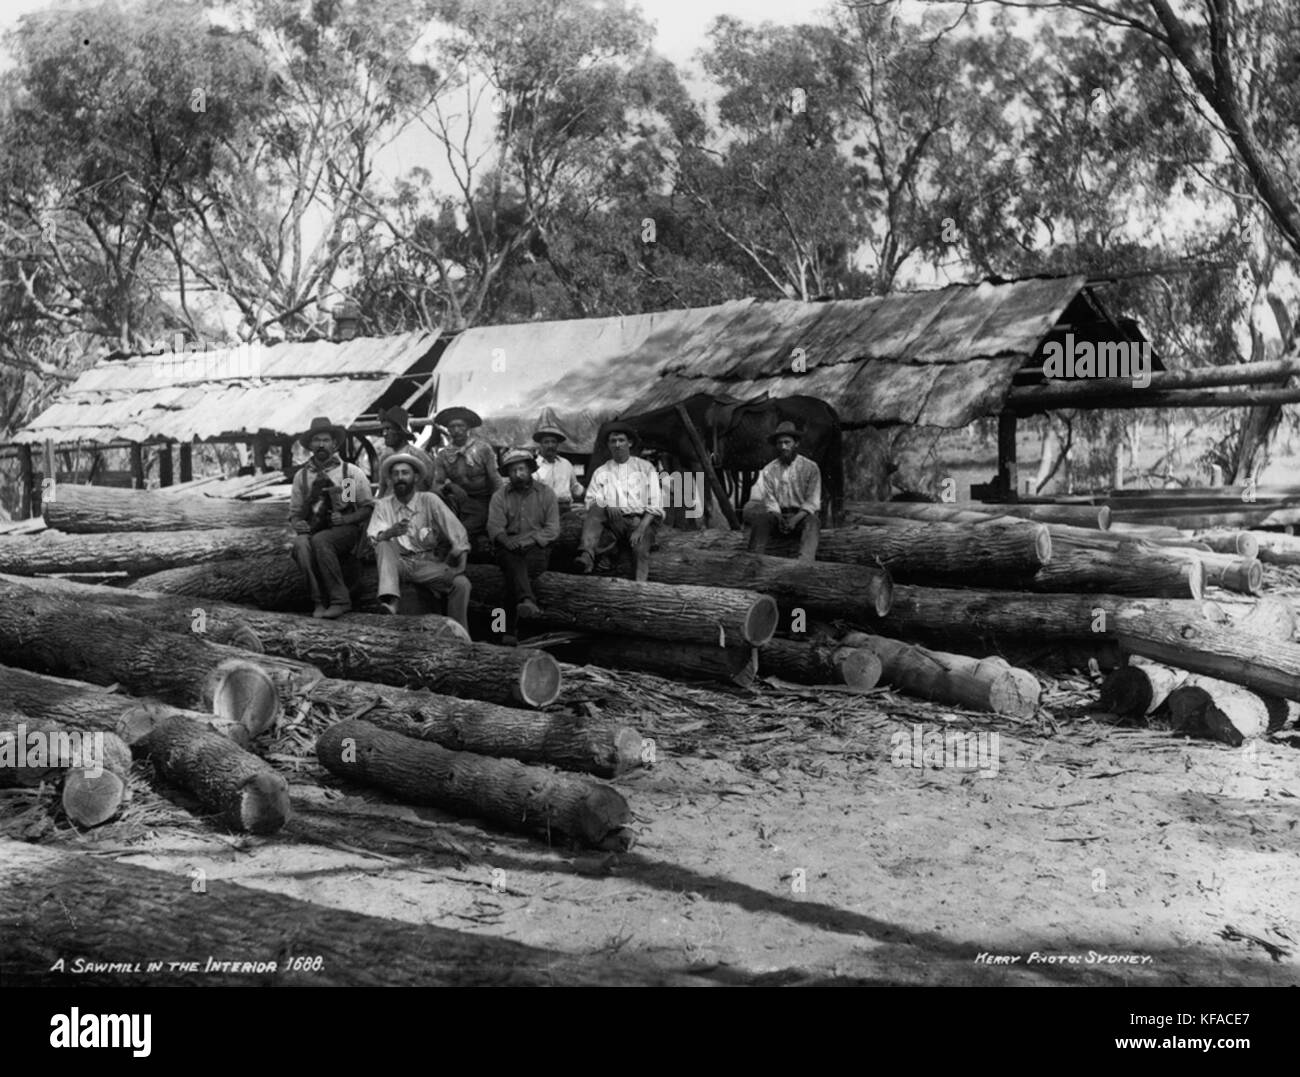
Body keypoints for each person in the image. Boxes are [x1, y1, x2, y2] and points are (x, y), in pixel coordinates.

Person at [367, 453, 471, 631]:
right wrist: (390, 532)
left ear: (415, 477)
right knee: (384, 544)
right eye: (396, 474)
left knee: (462, 584)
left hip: (427, 563)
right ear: (391, 479)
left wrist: (458, 568)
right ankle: (390, 601)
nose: (400, 478)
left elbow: (458, 532)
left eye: (405, 473)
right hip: (397, 563)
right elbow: (374, 538)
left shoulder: (429, 500)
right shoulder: (383, 504)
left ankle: (459, 633)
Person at [289, 416, 374, 619]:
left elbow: (365, 508)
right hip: (314, 528)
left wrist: (345, 520)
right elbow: (294, 513)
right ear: (310, 445)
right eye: (316, 440)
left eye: (325, 440)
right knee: (301, 545)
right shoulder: (302, 476)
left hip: (345, 531)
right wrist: (298, 524)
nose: (321, 444)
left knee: (322, 540)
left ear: (334, 444)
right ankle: (318, 601)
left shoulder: (347, 472)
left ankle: (340, 600)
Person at [487, 448, 560, 644]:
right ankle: (527, 601)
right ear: (507, 474)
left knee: (510, 581)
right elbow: (494, 527)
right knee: (511, 564)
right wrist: (506, 540)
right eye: (512, 471)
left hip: (537, 547)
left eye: (521, 469)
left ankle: (503, 632)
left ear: (529, 470)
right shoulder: (500, 496)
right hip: (507, 547)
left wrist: (527, 541)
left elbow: (552, 529)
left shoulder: (546, 493)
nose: (518, 474)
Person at [574, 422, 663, 582]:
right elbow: (591, 501)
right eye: (613, 441)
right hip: (614, 521)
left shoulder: (645, 467)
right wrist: (608, 503)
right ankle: (587, 554)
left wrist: (640, 529)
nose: (617, 444)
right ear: (608, 445)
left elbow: (655, 504)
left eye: (621, 440)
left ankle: (639, 590)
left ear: (629, 443)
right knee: (598, 507)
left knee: (639, 551)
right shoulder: (601, 471)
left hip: (641, 521)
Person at [742, 420, 822, 561]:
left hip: (802, 517)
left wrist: (795, 520)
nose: (783, 447)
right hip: (778, 518)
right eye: (780, 443)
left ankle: (804, 565)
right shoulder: (769, 470)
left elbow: (812, 501)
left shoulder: (811, 468)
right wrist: (779, 517)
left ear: (796, 443)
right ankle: (753, 562)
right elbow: (770, 500)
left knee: (813, 522)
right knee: (761, 520)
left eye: (787, 442)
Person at [431, 405, 502, 558]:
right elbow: (436, 485)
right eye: (452, 427)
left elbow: (495, 479)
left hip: (484, 501)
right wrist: (450, 486)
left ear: (468, 427)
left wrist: (497, 505)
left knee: (462, 529)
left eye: (460, 426)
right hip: (460, 503)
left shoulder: (483, 449)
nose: (456, 430)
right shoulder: (443, 455)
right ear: (448, 430)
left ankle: (453, 553)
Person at [375, 405, 437, 497]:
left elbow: (432, 485)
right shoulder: (385, 458)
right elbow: (383, 488)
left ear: (400, 431)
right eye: (383, 430)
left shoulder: (418, 456)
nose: (384, 434)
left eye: (388, 429)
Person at [532, 423, 584, 509]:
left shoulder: (565, 464)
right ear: (540, 444)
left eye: (553, 442)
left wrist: (592, 493)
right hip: (544, 510)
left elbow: (575, 487)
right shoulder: (534, 466)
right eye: (546, 442)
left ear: (557, 444)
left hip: (566, 508)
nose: (550, 445)